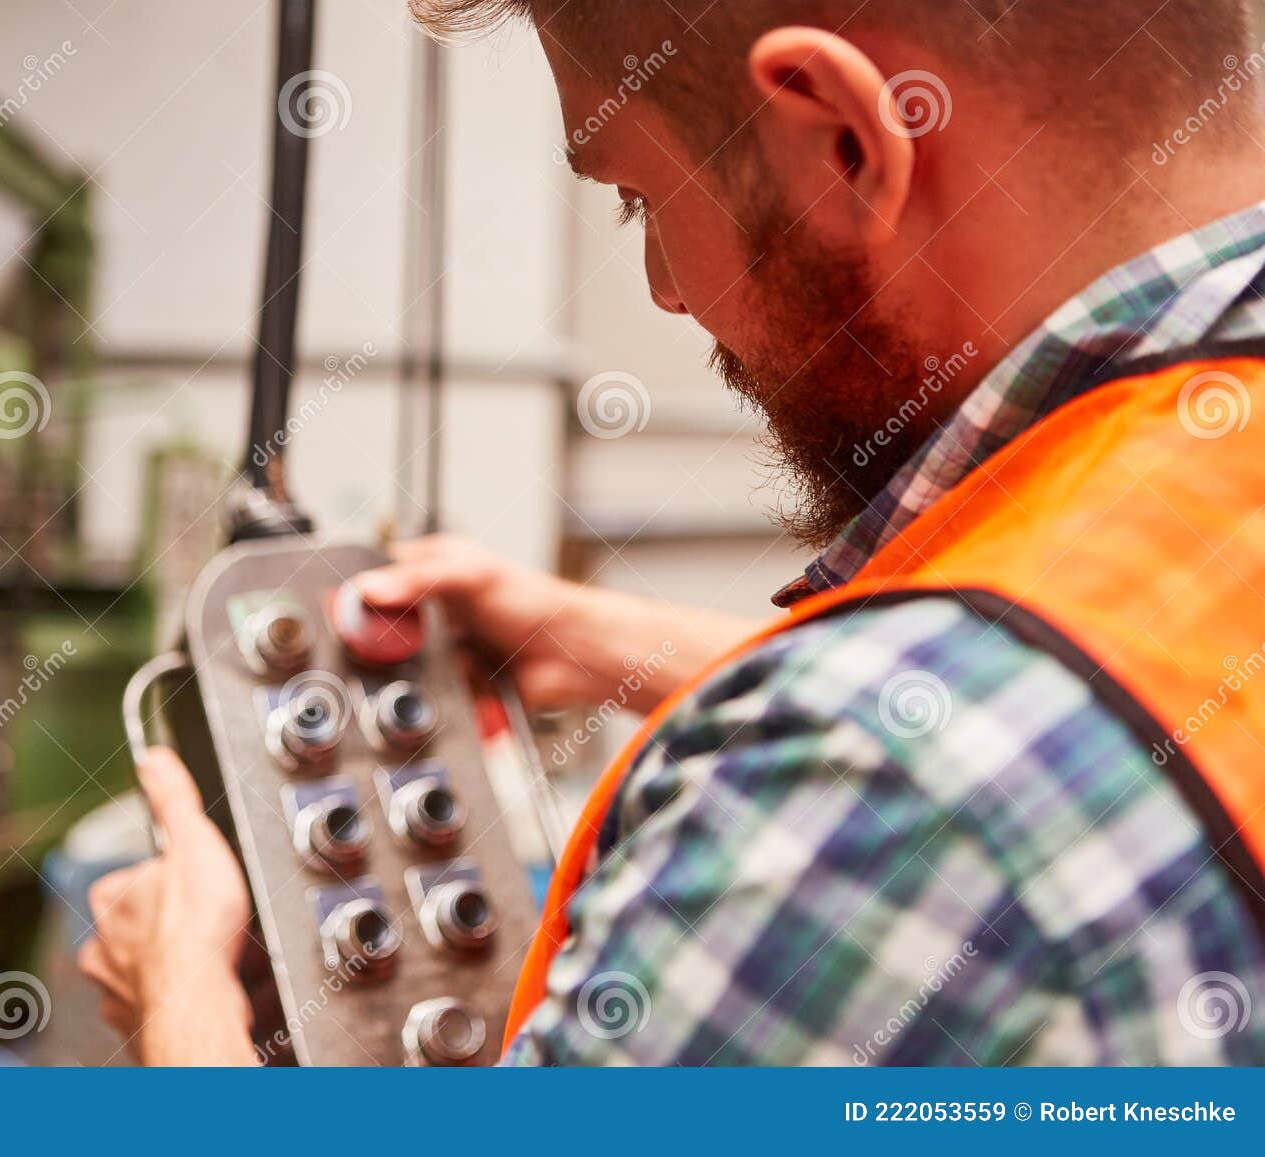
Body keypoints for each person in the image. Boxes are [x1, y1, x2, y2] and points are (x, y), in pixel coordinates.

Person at [79, 0, 1265, 1064]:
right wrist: (612, 644)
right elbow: (1111, 700)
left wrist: (179, 999)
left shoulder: (868, 790)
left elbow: (936, 764)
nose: (662, 285)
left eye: (637, 196)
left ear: (846, 144)